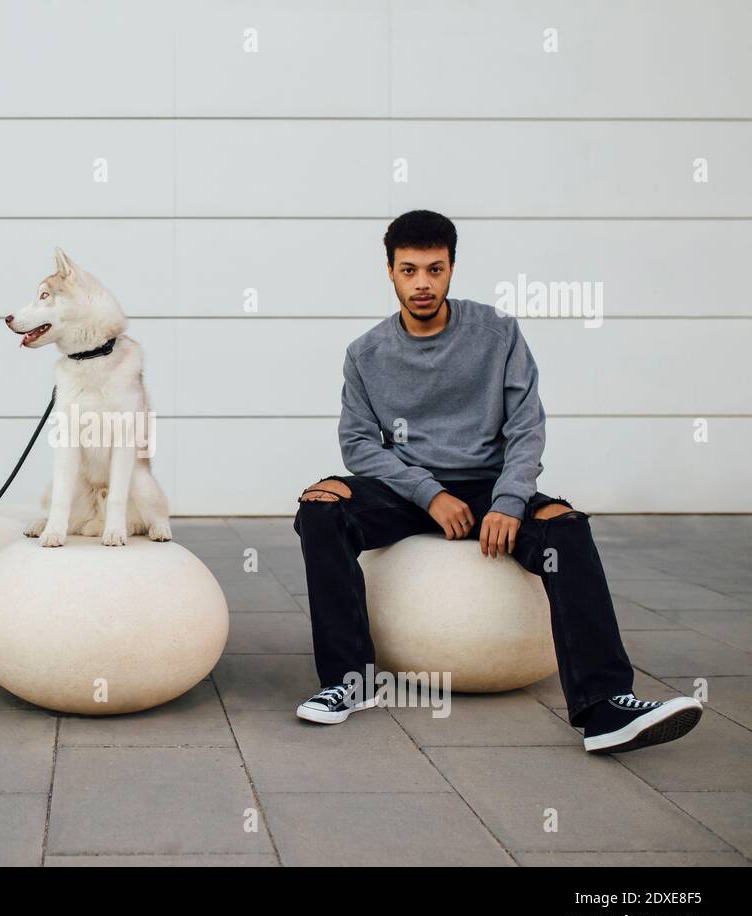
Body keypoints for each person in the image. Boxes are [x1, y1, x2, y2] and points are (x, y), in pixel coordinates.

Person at [292, 209, 702, 755]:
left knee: (567, 528)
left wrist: (509, 501)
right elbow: (359, 445)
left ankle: (605, 707)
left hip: (489, 487)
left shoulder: (498, 333)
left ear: (452, 269)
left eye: (434, 270)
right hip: (409, 491)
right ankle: (348, 680)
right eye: (409, 270)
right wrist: (429, 494)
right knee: (320, 508)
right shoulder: (366, 355)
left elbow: (526, 427)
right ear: (389, 271)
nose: (422, 284)